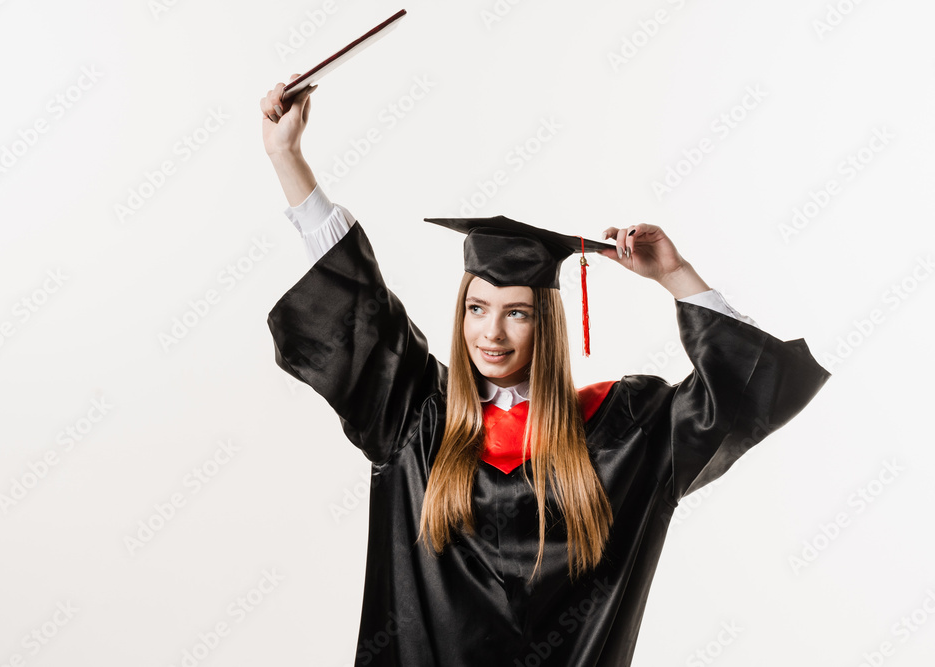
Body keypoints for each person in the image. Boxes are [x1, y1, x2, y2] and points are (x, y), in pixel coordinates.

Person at [260, 75, 831, 666]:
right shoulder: (416, 420)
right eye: (477, 308)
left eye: (517, 313)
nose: (491, 333)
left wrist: (675, 273)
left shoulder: (623, 434)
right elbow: (358, 306)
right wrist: (287, 157)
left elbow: (746, 392)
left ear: (547, 326)